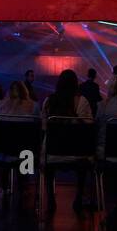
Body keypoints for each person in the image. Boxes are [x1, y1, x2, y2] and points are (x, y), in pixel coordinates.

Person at [41, 69, 93, 212]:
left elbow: (44, 127)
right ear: (76, 84)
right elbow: (88, 126)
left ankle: (50, 197)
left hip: (52, 153)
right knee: (84, 161)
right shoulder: (82, 101)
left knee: (48, 164)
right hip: (77, 154)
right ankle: (78, 195)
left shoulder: (48, 101)